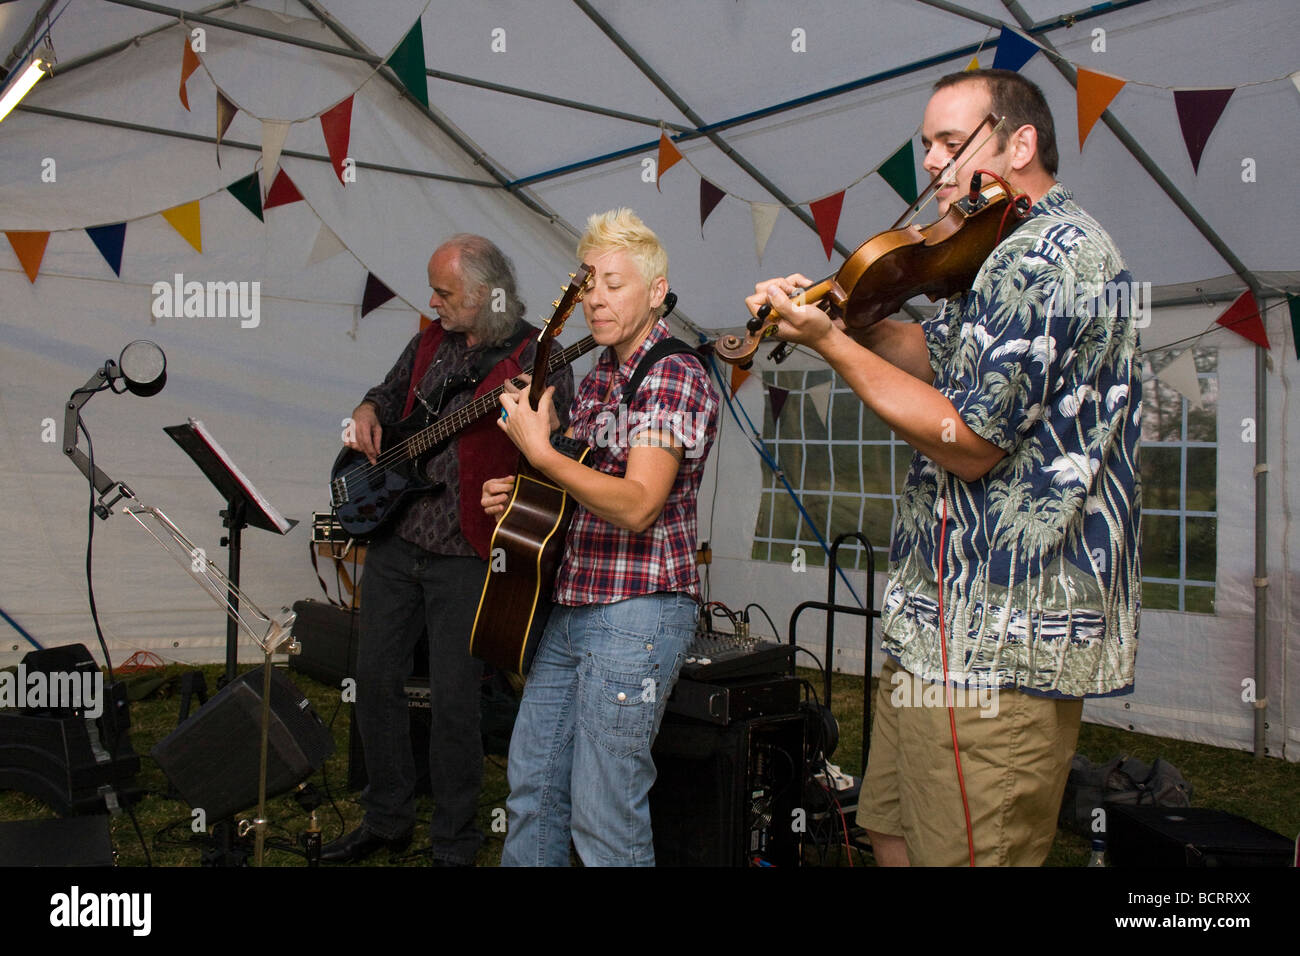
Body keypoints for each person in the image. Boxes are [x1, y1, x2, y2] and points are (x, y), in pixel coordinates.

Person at [747, 69, 1141, 866]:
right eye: (927, 143)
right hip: (935, 632)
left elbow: (969, 440)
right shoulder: (990, 248)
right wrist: (832, 317)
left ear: (1020, 142)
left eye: (951, 143)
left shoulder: (1052, 256)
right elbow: (940, 358)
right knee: (889, 827)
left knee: (965, 853)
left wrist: (830, 346)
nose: (930, 161)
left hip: (998, 642)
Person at [323, 234, 573, 866]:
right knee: (374, 679)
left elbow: (560, 455)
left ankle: (457, 841)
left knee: (456, 700)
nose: (432, 301)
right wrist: (366, 408)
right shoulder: (430, 338)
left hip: (470, 551)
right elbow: (387, 391)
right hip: (396, 537)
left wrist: (525, 479)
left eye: (445, 293)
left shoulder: (538, 356)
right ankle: (387, 816)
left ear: (488, 296)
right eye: (434, 289)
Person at [481, 208, 719, 866]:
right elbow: (584, 485)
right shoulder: (601, 376)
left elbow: (640, 503)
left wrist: (543, 453)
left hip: (636, 611)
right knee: (532, 789)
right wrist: (525, 495)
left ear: (655, 287)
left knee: (603, 811)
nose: (595, 298)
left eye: (613, 283)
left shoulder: (672, 373)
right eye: (588, 284)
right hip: (575, 602)